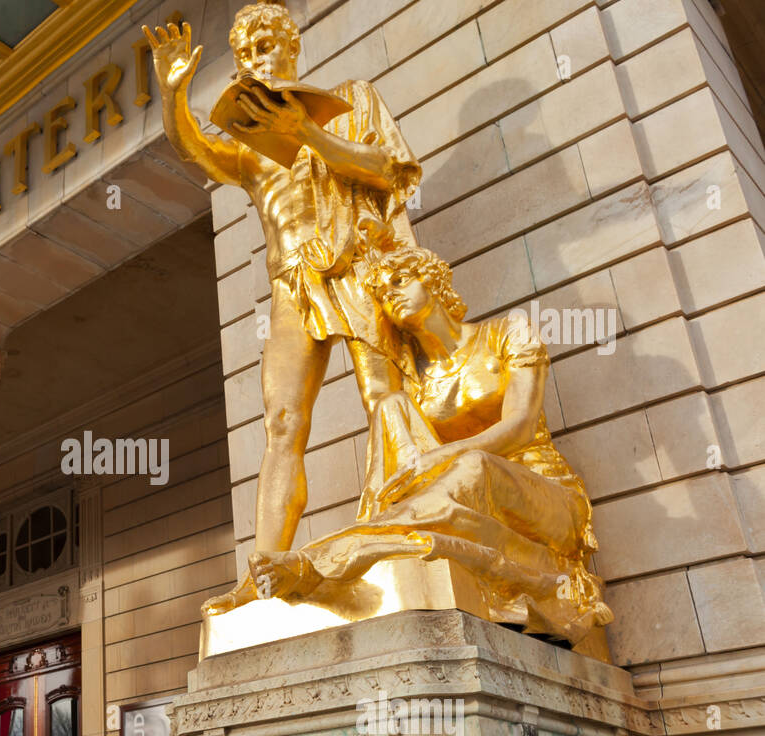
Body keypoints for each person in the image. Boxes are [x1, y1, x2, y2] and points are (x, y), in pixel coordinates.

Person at [144, 3, 421, 575]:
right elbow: (197, 149)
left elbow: (386, 170)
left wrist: (307, 131)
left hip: (355, 265)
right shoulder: (249, 147)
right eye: (245, 55)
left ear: (292, 45)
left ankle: (402, 527)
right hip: (291, 286)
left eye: (265, 47)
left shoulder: (350, 100)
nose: (255, 61)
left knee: (383, 398)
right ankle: (266, 570)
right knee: (283, 422)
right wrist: (173, 96)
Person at [233, 246, 612, 644]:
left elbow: (519, 427)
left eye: (400, 281)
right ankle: (353, 547)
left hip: (547, 499)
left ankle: (319, 560)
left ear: (433, 280)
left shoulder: (506, 332)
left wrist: (442, 456)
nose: (391, 295)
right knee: (390, 407)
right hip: (464, 491)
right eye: (382, 295)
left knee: (474, 465)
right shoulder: (414, 384)